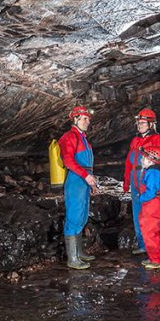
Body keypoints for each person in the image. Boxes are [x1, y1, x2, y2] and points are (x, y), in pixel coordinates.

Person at [123, 108, 160, 255]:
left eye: (143, 122)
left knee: (154, 214)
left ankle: (158, 247)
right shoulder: (135, 141)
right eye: (138, 122)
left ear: (151, 124)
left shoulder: (158, 139)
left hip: (148, 179)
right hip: (135, 178)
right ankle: (144, 244)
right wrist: (126, 181)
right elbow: (128, 164)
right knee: (139, 214)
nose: (140, 125)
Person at [59, 105, 99, 269]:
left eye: (88, 119)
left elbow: (88, 165)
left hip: (84, 180)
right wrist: (86, 176)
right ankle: (72, 258)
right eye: (84, 119)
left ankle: (80, 253)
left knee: (82, 216)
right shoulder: (69, 137)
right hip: (76, 180)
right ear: (75, 119)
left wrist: (92, 182)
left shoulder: (84, 139)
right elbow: (68, 161)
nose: (87, 122)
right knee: (74, 217)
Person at [134, 146, 160, 270]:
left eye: (144, 157)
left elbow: (151, 191)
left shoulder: (152, 172)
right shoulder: (154, 171)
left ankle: (156, 261)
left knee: (150, 233)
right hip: (155, 205)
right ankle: (155, 257)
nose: (142, 159)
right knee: (154, 233)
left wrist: (141, 197)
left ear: (151, 160)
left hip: (152, 206)